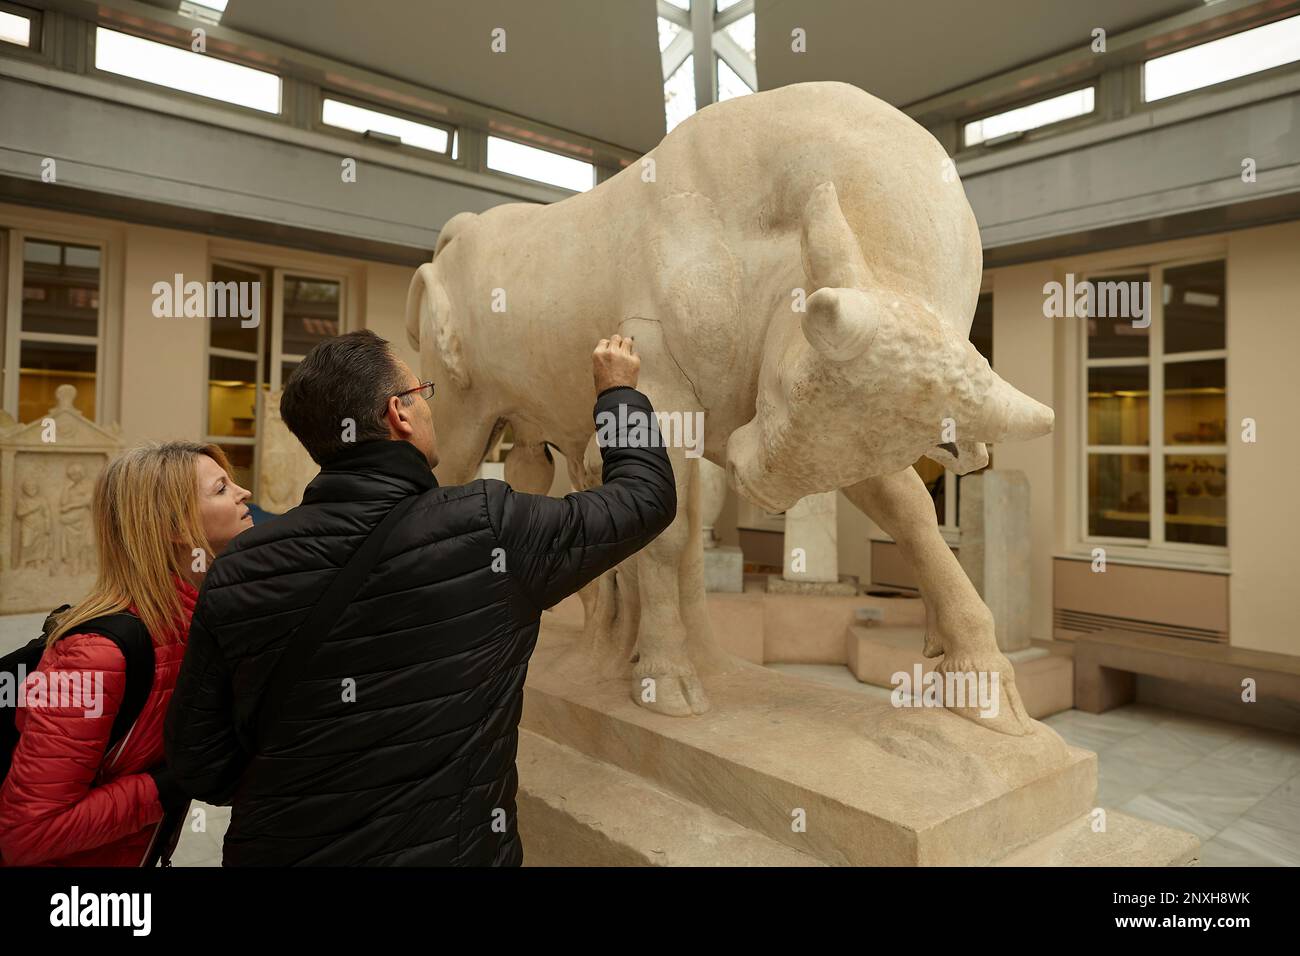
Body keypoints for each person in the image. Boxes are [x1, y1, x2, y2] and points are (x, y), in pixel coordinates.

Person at [165, 329, 675, 865]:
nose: (429, 408)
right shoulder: (487, 527)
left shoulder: (241, 568)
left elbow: (200, 762)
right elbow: (644, 498)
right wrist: (618, 394)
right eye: (422, 392)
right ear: (399, 414)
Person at [0, 442, 253, 865]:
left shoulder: (193, 622)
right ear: (177, 527)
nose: (243, 492)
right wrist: (173, 783)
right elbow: (28, 831)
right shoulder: (96, 654)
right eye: (221, 488)